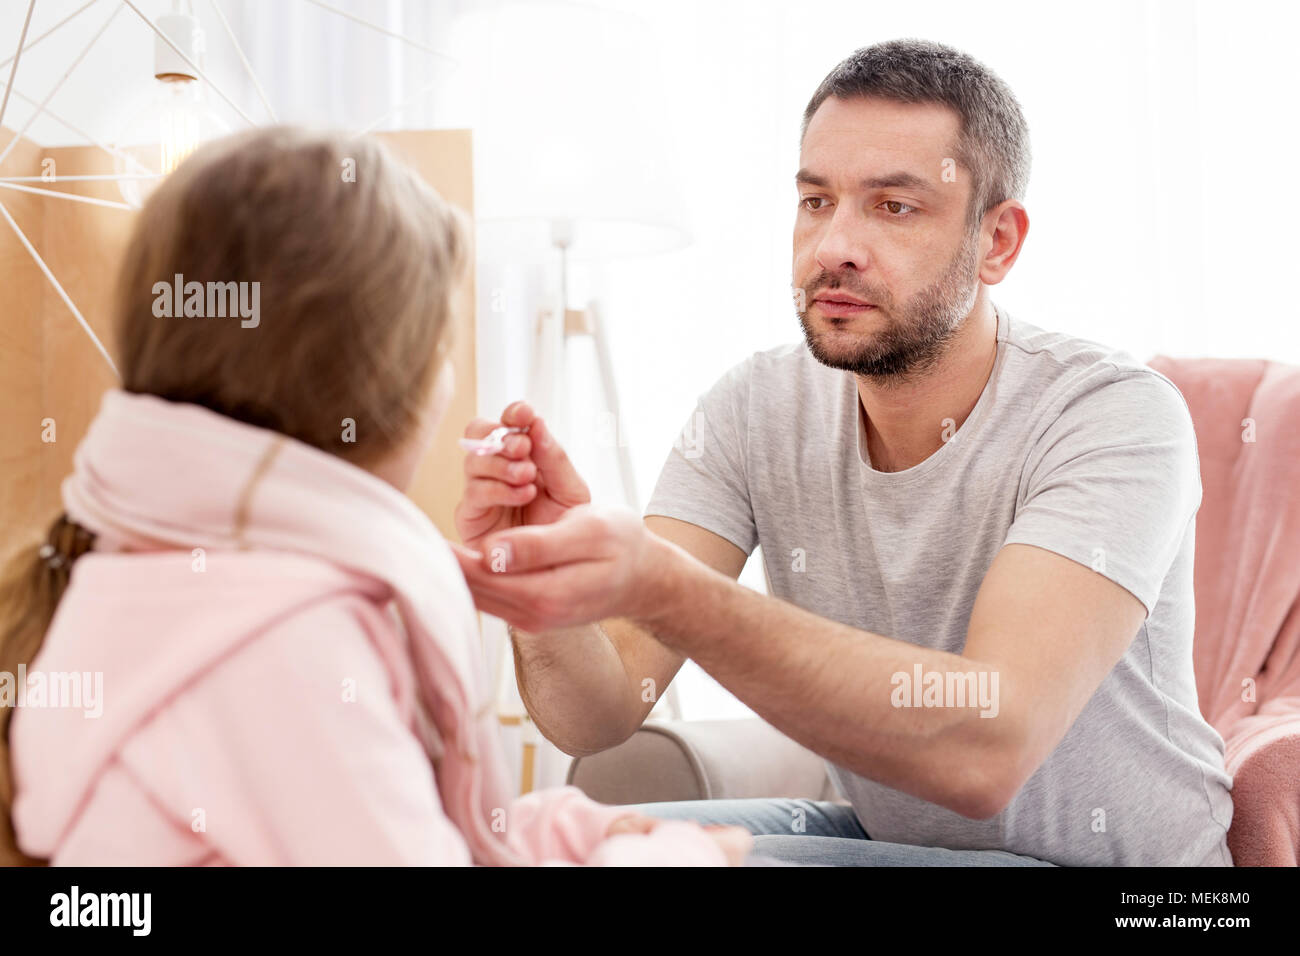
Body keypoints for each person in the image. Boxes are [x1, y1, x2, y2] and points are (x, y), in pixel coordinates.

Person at [453, 39, 1234, 867]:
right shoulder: (751, 409)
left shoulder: (1112, 413)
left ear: (998, 241)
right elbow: (600, 712)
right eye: (817, 201)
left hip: (1135, 886)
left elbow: (986, 751)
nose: (834, 247)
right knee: (550, 841)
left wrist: (668, 590)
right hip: (900, 843)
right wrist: (543, 592)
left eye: (893, 207)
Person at [0, 126, 750, 867]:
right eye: (443, 349)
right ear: (396, 385)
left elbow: (404, 831)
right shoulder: (288, 644)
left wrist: (572, 835)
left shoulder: (153, 575)